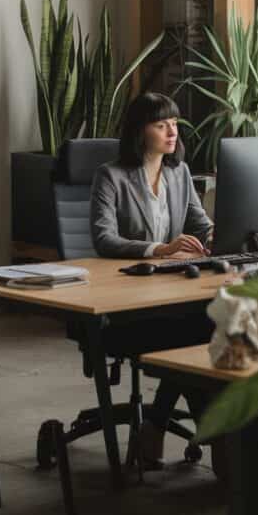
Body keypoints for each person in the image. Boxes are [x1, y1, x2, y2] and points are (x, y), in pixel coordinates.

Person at [90, 91, 213, 466]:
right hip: (127, 302)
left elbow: (198, 223)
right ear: (139, 132)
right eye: (161, 125)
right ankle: (207, 432)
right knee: (194, 332)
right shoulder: (111, 176)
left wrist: (219, 235)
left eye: (174, 124)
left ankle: (156, 424)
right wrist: (159, 250)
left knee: (204, 323)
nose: (172, 132)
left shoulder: (179, 173)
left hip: (171, 290)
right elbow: (104, 237)